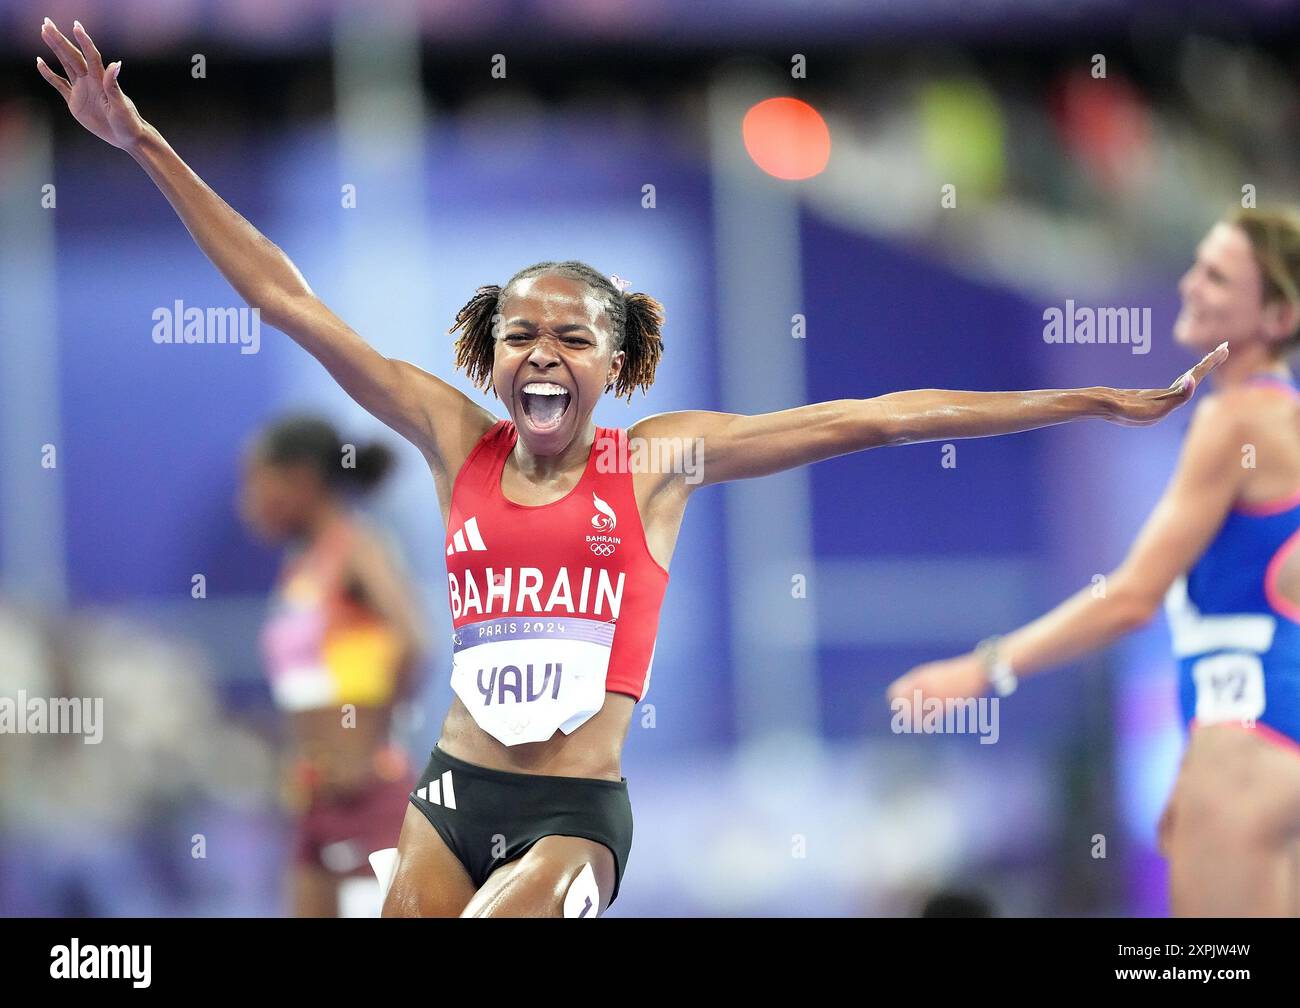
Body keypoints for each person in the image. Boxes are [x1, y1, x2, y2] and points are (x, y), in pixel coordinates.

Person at [37, 18, 1226, 916]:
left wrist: (1092, 398)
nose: (541, 355)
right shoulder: (454, 435)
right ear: (487, 357)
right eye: (519, 336)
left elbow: (877, 418)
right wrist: (143, 142)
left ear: (617, 362)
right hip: (452, 793)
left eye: (571, 336)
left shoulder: (659, 460)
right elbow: (284, 298)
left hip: (573, 814)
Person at [889, 209, 1300, 917]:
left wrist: (982, 668)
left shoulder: (1234, 422)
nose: (1190, 285)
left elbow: (1132, 598)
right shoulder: (1278, 420)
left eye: (1217, 276)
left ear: (1277, 314)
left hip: (1249, 736)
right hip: (1260, 732)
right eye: (1196, 265)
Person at [240, 415, 429, 917]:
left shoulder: (357, 548)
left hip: (368, 793)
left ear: (301, 478)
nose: (247, 500)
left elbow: (413, 640)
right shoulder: (299, 567)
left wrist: (367, 745)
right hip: (314, 796)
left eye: (257, 480)